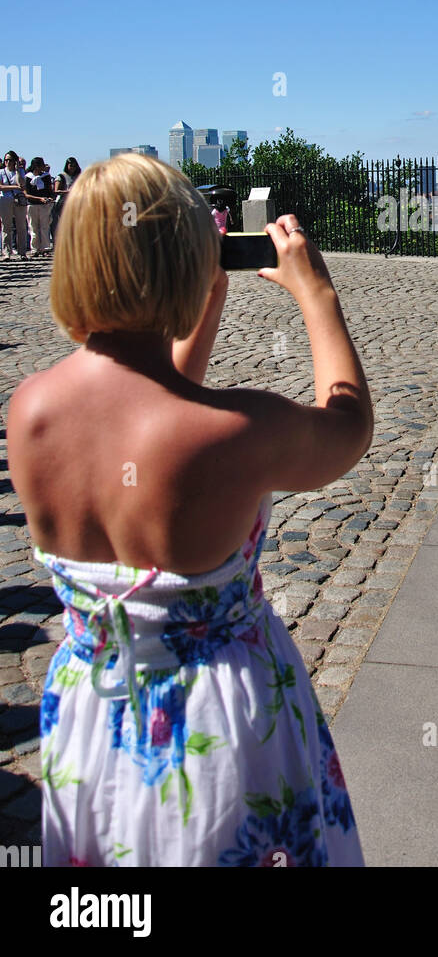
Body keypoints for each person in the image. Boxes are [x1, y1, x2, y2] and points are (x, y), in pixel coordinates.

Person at [7, 154, 372, 866]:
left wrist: (203, 306)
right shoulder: (233, 431)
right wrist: (317, 295)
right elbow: (348, 429)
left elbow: (143, 420)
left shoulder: (31, 412)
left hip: (91, 709)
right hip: (214, 719)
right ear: (189, 260)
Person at [0, 151, 29, 259]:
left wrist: (17, 171)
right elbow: (1, 187)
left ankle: (22, 252)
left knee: (21, 226)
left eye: (10, 160)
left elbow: (22, 184)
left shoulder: (20, 171)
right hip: (5, 200)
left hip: (18, 200)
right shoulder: (1, 172)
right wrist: (15, 187)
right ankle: (7, 252)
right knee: (6, 227)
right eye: (6, 160)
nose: (7, 162)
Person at [24, 156, 54, 257]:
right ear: (36, 166)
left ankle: (45, 248)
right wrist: (39, 199)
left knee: (44, 227)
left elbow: (50, 190)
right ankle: (35, 248)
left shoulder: (46, 176)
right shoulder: (28, 177)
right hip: (32, 205)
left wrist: (49, 198)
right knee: (33, 227)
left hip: (44, 205)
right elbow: (27, 193)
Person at [52, 157, 82, 239]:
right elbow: (56, 190)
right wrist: (68, 191)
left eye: (74, 166)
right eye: (71, 165)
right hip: (63, 203)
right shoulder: (61, 176)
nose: (72, 168)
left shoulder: (79, 176)